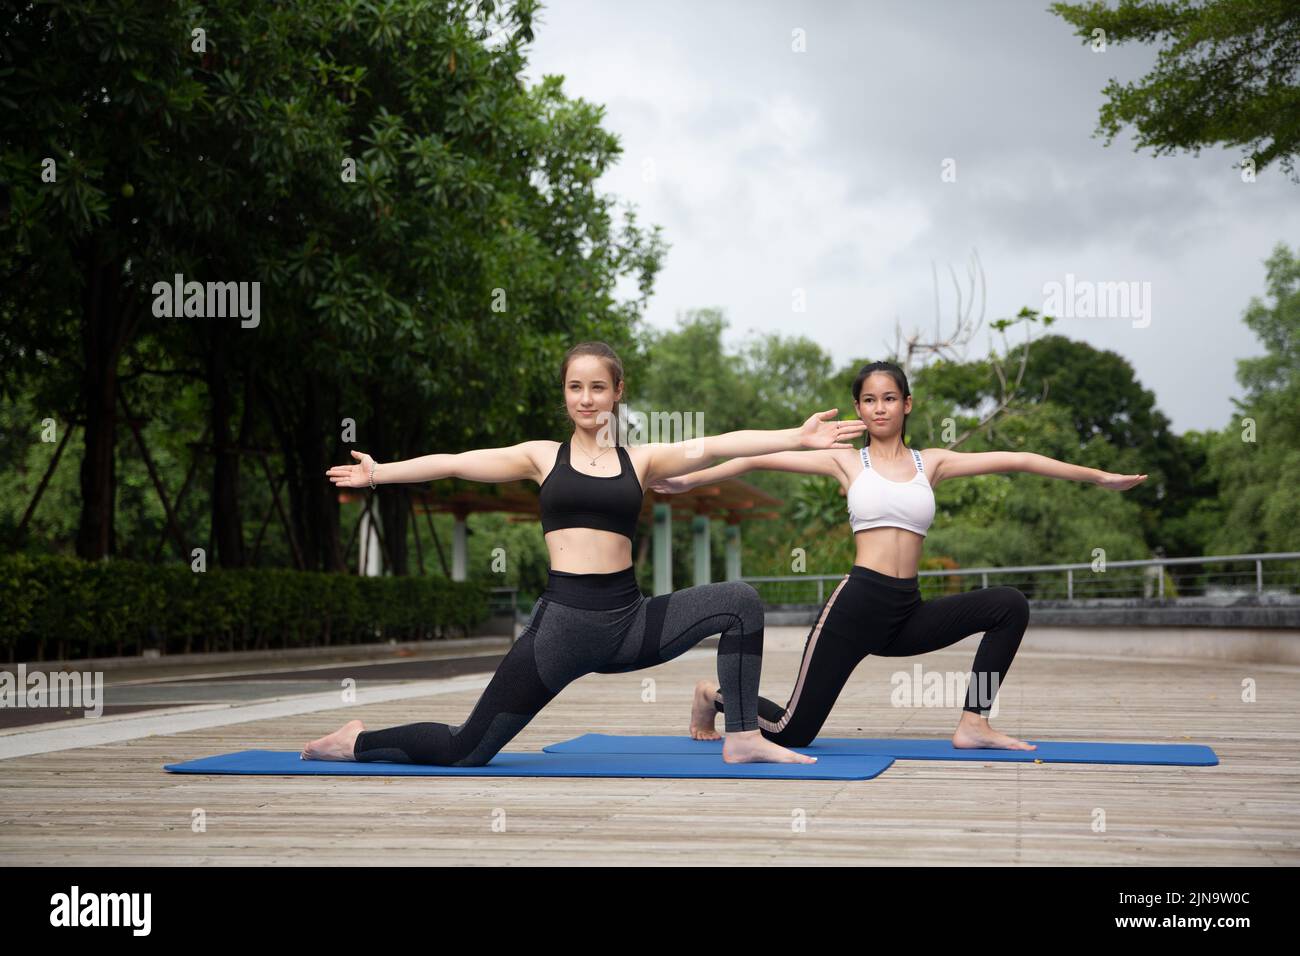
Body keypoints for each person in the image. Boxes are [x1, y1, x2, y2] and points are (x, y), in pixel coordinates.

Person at [302, 341, 867, 766]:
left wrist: (796, 436)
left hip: (630, 623)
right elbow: (454, 460)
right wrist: (378, 473)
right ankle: (355, 741)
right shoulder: (541, 457)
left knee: (740, 600)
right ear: (565, 394)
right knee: (465, 749)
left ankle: (743, 735)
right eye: (576, 387)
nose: (586, 398)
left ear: (617, 392)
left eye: (598, 387)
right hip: (561, 633)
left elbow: (719, 443)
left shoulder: (641, 460)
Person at [657, 361, 1147, 751]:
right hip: (855, 609)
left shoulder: (931, 463)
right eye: (869, 400)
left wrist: (1099, 477)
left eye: (889, 398)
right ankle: (713, 695)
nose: (879, 408)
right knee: (790, 730)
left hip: (906, 611)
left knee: (1009, 605)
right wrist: (688, 481)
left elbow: (1019, 460)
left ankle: (974, 722)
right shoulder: (846, 460)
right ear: (858, 407)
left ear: (907, 404)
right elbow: (756, 457)